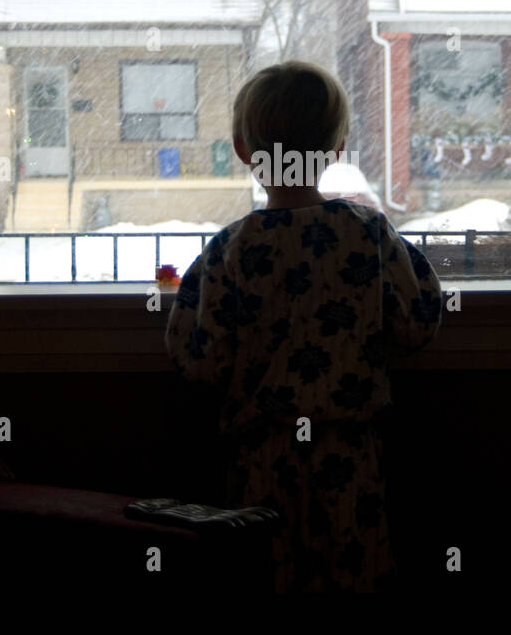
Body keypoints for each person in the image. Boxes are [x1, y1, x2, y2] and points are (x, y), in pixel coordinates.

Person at [165, 61, 442, 592]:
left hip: (261, 464)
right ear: (336, 150)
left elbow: (199, 358)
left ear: (243, 151)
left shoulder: (232, 248)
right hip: (352, 458)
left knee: (267, 587)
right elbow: (416, 322)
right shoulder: (367, 235)